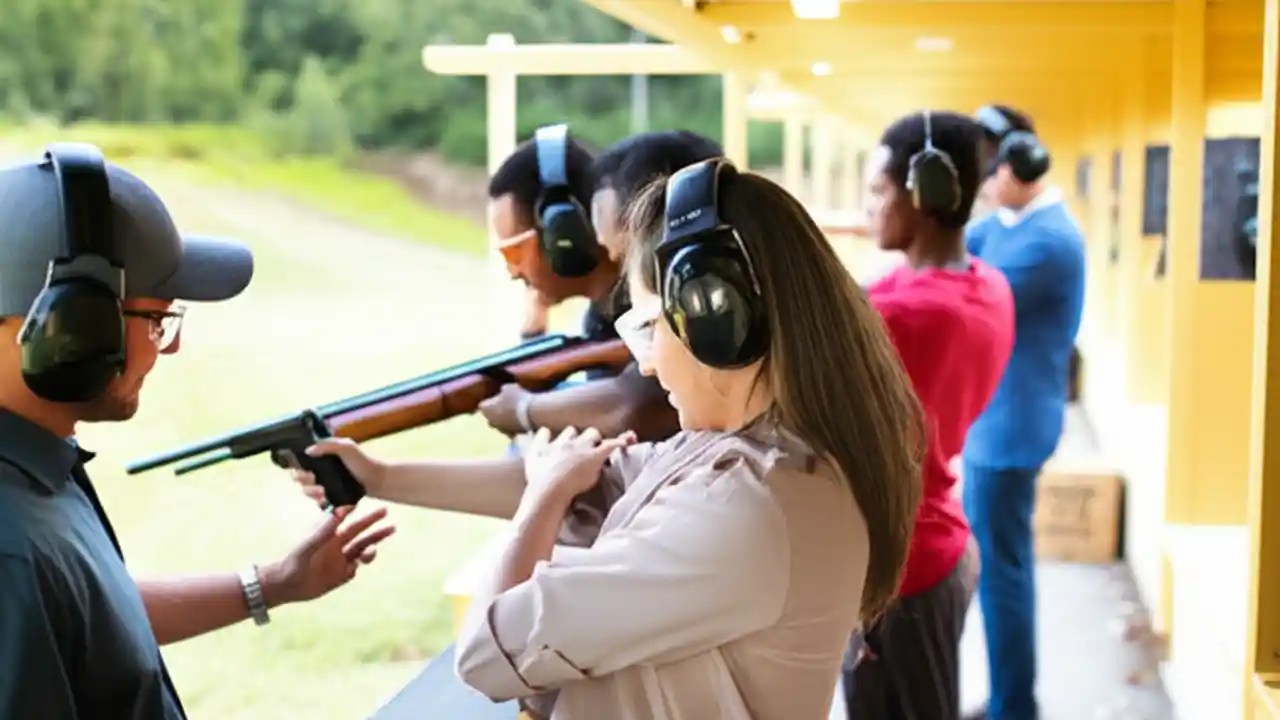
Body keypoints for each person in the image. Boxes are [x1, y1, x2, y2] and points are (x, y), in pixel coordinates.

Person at [288, 158, 926, 719]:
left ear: (716, 316)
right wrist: (380, 476)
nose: (645, 362)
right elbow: (578, 478)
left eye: (650, 324)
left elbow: (488, 651)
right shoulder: (745, 454)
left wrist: (544, 498)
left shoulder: (746, 505)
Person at [0, 143, 395, 718]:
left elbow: (86, 619)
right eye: (157, 320)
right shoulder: (10, 547)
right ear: (73, 328)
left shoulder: (37, 461)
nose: (173, 344)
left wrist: (273, 583)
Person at [844, 110, 1015, 720]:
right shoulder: (989, 287)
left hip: (900, 570)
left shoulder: (894, 313)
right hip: (941, 545)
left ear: (925, 194)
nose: (868, 209)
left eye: (877, 191)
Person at [962, 104, 1086, 720]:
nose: (982, 183)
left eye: (989, 170)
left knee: (1002, 575)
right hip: (996, 423)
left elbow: (967, 291)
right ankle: (1013, 700)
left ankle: (1015, 708)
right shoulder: (1010, 224)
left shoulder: (1049, 240)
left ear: (1021, 165)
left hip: (1010, 431)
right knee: (1001, 569)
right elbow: (956, 243)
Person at [478, 129, 723, 442]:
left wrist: (525, 410)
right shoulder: (599, 321)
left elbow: (635, 404)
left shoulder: (674, 306)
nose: (513, 272)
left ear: (562, 234)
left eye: (515, 251)